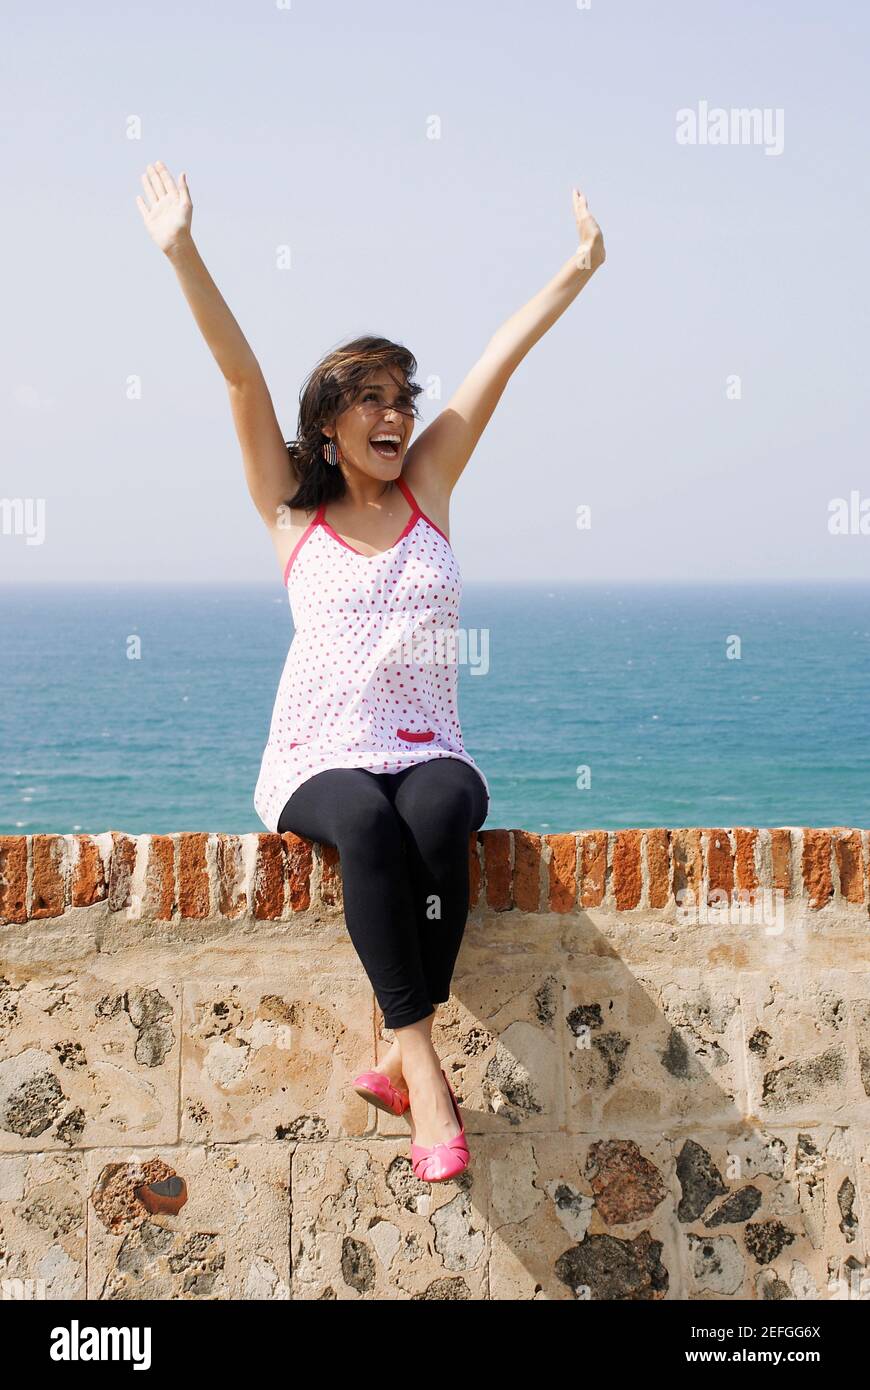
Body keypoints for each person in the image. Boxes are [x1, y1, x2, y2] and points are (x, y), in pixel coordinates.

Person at [136, 160, 605, 1182]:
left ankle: (393, 1048)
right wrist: (183, 251)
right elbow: (240, 380)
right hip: (318, 753)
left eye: (404, 398)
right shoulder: (292, 513)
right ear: (332, 424)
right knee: (366, 826)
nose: (397, 415)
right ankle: (425, 1070)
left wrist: (574, 272)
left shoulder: (429, 486)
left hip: (429, 742)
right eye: (373, 401)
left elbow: (497, 362)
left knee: (440, 816)